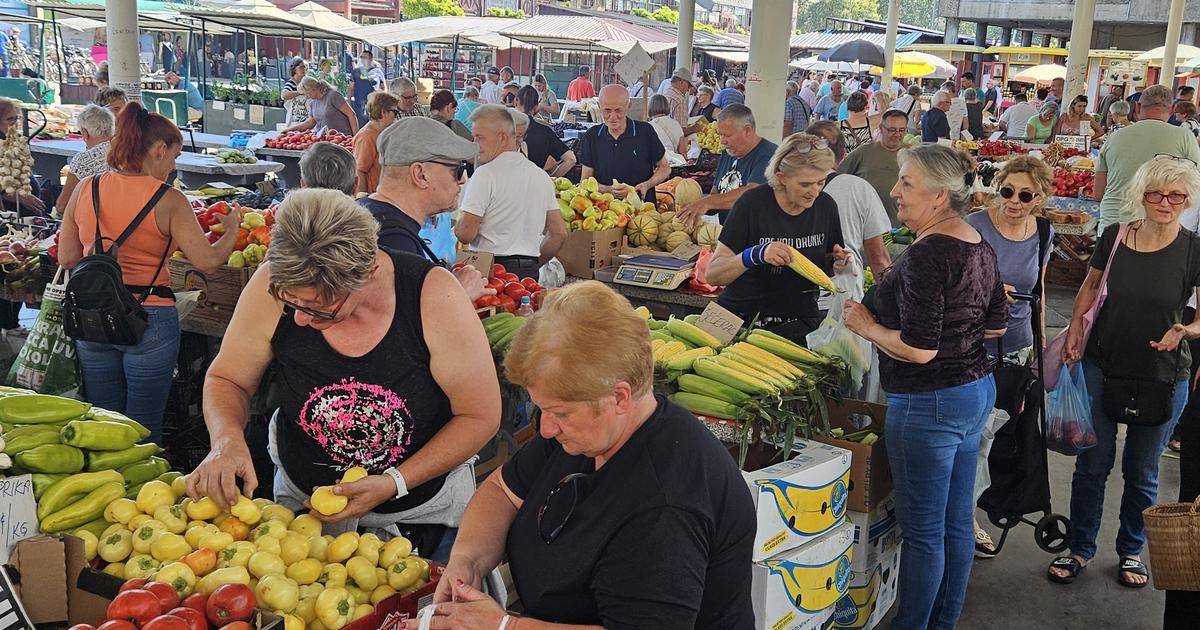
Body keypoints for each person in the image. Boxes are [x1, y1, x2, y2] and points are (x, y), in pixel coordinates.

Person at [187, 188, 501, 562]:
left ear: (369, 272)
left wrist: (394, 481)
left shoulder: (432, 296)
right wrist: (226, 440)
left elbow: (480, 414)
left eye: (321, 309)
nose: (301, 318)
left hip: (421, 514)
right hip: (305, 511)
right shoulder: (272, 285)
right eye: (293, 303)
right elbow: (229, 379)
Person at [425, 280, 754, 630]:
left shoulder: (665, 506)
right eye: (543, 410)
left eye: (560, 414)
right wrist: (467, 562)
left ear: (619, 397)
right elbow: (502, 491)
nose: (547, 429)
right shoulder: (588, 430)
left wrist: (505, 626)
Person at [842, 144, 1007, 630]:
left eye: (906, 183)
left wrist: (867, 326)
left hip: (929, 403)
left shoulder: (927, 254)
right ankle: (942, 622)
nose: (895, 191)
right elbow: (996, 322)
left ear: (938, 196)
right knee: (956, 522)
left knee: (923, 533)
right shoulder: (976, 240)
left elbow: (919, 349)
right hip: (975, 391)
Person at [1048, 156, 1200, 589]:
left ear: (1187, 200)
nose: (1165, 202)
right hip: (1102, 365)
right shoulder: (1115, 235)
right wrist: (1075, 326)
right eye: (1156, 193)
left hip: (1164, 375)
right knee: (1091, 463)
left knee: (1142, 471)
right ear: (1141, 194)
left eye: (1176, 195)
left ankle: (1131, 549)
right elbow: (1091, 286)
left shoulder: (1194, 248)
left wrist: (1185, 330)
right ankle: (1079, 546)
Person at [57, 102, 240, 443]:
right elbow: (207, 262)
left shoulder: (86, 188)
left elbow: (68, 257)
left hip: (93, 316)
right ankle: (143, 491)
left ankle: (106, 485)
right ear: (159, 149)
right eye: (173, 156)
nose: (173, 166)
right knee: (143, 428)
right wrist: (231, 230)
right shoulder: (169, 200)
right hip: (149, 317)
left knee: (103, 421)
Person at [704, 134, 850, 343]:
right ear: (781, 177)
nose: (815, 192)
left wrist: (837, 263)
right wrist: (756, 254)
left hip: (799, 323)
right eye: (805, 184)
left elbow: (823, 265)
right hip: (739, 320)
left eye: (821, 182)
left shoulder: (826, 207)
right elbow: (713, 275)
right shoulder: (752, 204)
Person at [454, 105, 566, 278]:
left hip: (492, 270)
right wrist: (534, 264)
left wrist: (458, 223)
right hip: (529, 270)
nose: (475, 144)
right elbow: (558, 233)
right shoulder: (540, 176)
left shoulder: (485, 174)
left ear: (502, 137)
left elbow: (465, 234)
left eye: (479, 137)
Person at [1095, 85, 1200, 231]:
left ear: (1137, 107)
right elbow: (1194, 187)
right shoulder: (1185, 137)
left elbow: (1098, 193)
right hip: (1159, 231)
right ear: (1172, 109)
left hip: (1113, 226)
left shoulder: (1115, 137)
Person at [677, 104, 777, 226]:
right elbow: (716, 193)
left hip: (757, 239)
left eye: (727, 135)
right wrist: (693, 204)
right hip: (729, 235)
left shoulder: (769, 154)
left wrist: (708, 202)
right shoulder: (727, 154)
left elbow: (753, 193)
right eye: (720, 134)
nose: (722, 141)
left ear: (747, 130)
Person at [576, 85, 669, 198]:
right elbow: (585, 181)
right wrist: (608, 190)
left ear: (628, 106)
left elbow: (665, 168)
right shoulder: (592, 136)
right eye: (607, 110)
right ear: (599, 107)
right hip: (605, 211)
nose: (613, 116)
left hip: (643, 209)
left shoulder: (645, 131)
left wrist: (646, 185)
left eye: (618, 110)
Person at [838, 109, 907, 226]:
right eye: (892, 130)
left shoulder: (912, 155)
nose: (897, 134)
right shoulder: (864, 152)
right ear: (881, 128)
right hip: (862, 225)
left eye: (902, 130)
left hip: (898, 228)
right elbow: (839, 178)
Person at [823, 164, 892, 277]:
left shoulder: (787, 186)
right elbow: (878, 257)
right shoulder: (858, 187)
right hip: (844, 286)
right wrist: (890, 292)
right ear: (842, 158)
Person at [55, 104, 114, 214]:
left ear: (85, 133)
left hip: (97, 223)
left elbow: (62, 206)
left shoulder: (84, 160)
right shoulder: (129, 151)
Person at [514, 86, 575, 177]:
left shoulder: (505, 128)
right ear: (536, 105)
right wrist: (550, 180)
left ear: (516, 101)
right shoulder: (546, 131)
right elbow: (571, 159)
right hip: (535, 185)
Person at [352, 92, 400, 195]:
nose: (396, 117)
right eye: (395, 112)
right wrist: (362, 198)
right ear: (384, 112)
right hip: (373, 195)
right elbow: (360, 171)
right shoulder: (367, 136)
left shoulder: (382, 132)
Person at [284, 78, 358, 136]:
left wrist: (355, 137)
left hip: (342, 138)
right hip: (325, 140)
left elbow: (351, 114)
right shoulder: (313, 102)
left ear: (312, 89)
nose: (306, 97)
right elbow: (310, 123)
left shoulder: (333, 95)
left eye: (306, 94)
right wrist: (290, 130)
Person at [648, 94, 689, 161]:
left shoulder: (649, 127)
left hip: (659, 166)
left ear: (650, 107)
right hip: (675, 164)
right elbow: (683, 153)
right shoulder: (676, 124)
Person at [350, 50, 386, 125]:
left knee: (374, 126)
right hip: (359, 106)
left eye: (364, 57)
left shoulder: (377, 72)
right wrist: (349, 104)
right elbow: (350, 88)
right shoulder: (356, 72)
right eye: (361, 57)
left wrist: (384, 103)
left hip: (374, 105)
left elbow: (383, 87)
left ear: (370, 59)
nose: (362, 59)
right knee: (361, 126)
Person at [664, 69, 702, 135]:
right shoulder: (680, 101)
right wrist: (694, 128)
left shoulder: (666, 94)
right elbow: (680, 131)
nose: (688, 89)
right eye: (689, 86)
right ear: (682, 82)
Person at [281, 57, 310, 127]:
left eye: (304, 67)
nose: (304, 69)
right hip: (294, 123)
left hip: (307, 122)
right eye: (301, 67)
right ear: (294, 69)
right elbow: (284, 95)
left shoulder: (306, 82)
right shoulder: (291, 83)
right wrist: (300, 92)